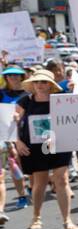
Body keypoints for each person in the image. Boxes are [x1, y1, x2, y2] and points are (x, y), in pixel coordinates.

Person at [14, 68, 78, 229]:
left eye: (44, 82)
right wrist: (17, 142)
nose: (40, 85)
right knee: (39, 182)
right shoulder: (24, 102)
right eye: (36, 81)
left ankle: (67, 220)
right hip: (32, 148)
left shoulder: (61, 100)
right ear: (32, 84)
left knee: (62, 180)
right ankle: (36, 217)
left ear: (51, 84)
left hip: (59, 144)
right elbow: (10, 124)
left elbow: (72, 121)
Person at [0, 66, 29, 220]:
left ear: (22, 77)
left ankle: (31, 186)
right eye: (10, 75)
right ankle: (22, 195)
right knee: (14, 165)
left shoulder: (28, 94)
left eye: (17, 75)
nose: (13, 78)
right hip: (7, 135)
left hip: (28, 134)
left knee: (29, 166)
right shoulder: (1, 94)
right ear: (6, 78)